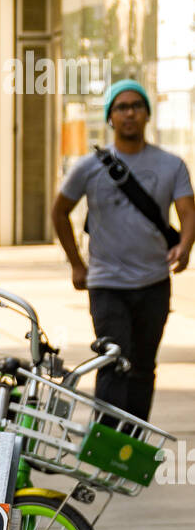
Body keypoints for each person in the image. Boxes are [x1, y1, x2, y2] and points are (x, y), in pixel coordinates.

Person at [51, 79, 195, 422]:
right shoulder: (88, 167)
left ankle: (132, 447)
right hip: (107, 285)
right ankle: (106, 446)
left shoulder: (171, 164)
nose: (130, 113)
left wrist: (185, 247)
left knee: (144, 367)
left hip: (153, 284)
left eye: (136, 106)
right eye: (121, 107)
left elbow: (188, 213)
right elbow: (59, 212)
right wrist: (76, 265)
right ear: (110, 118)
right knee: (114, 363)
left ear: (147, 115)